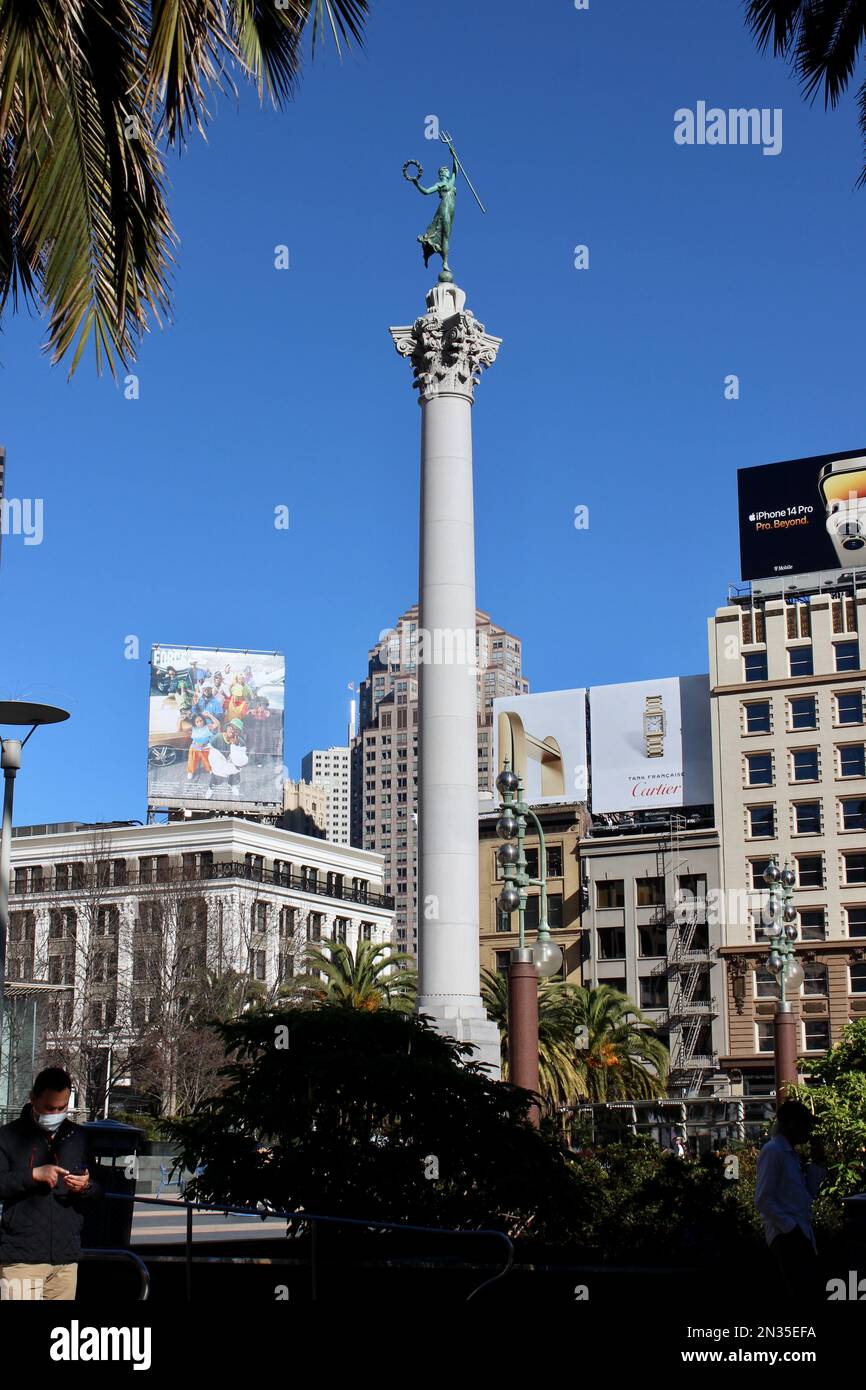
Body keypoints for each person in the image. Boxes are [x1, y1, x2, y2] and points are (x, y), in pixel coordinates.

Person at [0, 1067, 98, 1301]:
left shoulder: (78, 1137)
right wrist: (32, 1175)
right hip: (21, 1259)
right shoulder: (8, 1136)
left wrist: (86, 1186)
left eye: (62, 1108)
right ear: (33, 1099)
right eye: (50, 1108)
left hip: (65, 1259)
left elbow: (99, 1188)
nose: (56, 1113)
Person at [754, 1100, 827, 1301]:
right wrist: (790, 1228)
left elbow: (805, 1194)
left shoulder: (789, 1154)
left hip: (798, 1231)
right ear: (793, 1125)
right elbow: (763, 1199)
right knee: (801, 1291)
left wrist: (818, 1163)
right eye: (806, 1125)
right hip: (786, 1235)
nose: (809, 1131)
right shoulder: (774, 1151)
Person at [205, 718, 248, 800]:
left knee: (235, 776)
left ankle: (233, 786)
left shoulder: (241, 741)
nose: (232, 731)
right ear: (227, 727)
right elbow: (210, 748)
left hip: (232, 765)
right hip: (220, 765)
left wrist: (236, 746)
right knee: (215, 778)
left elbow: (243, 756)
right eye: (231, 728)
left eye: (236, 730)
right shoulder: (218, 737)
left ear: (238, 733)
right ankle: (210, 789)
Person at [186, 711, 219, 780]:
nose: (199, 723)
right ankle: (190, 772)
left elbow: (217, 724)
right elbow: (179, 729)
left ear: (203, 720)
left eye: (201, 721)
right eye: (197, 722)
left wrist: (210, 715)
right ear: (194, 723)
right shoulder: (193, 728)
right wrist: (180, 720)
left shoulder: (207, 727)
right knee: (192, 760)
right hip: (194, 748)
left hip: (205, 747)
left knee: (208, 760)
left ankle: (210, 770)